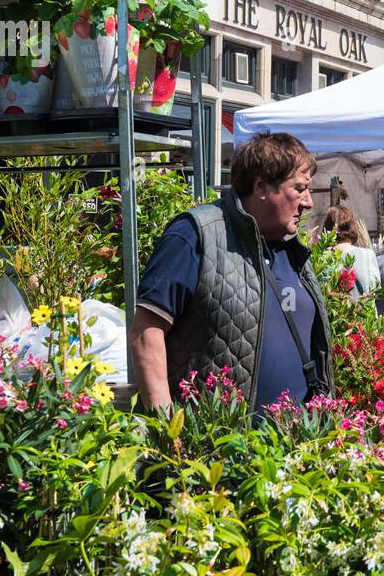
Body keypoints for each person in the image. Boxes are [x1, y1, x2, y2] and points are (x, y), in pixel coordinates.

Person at [129, 131, 333, 415]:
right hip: (219, 447)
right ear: (261, 186)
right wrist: (168, 431)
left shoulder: (293, 251)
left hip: (297, 444)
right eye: (299, 189)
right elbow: (145, 333)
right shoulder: (196, 235)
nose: (308, 202)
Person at [322, 205, 379, 298]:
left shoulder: (322, 257)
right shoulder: (368, 255)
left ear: (327, 229)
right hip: (365, 311)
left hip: (334, 311)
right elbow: (375, 289)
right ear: (352, 227)